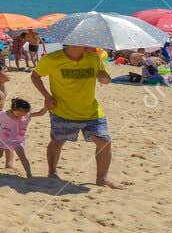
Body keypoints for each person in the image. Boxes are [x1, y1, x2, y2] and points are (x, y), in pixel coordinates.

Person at [32, 43, 123, 188]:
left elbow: (105, 81)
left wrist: (105, 78)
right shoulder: (51, 59)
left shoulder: (94, 58)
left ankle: (102, 179)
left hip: (91, 111)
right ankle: (52, 172)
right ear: (73, 41)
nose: (90, 42)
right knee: (57, 142)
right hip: (62, 111)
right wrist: (47, 96)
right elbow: (35, 76)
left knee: (104, 142)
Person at [0, 98, 44, 177]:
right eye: (19, 113)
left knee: (22, 155)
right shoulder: (3, 114)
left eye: (24, 114)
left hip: (17, 140)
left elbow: (40, 113)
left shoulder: (26, 115)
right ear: (13, 109)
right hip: (3, 139)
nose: (22, 115)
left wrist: (46, 107)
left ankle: (29, 174)